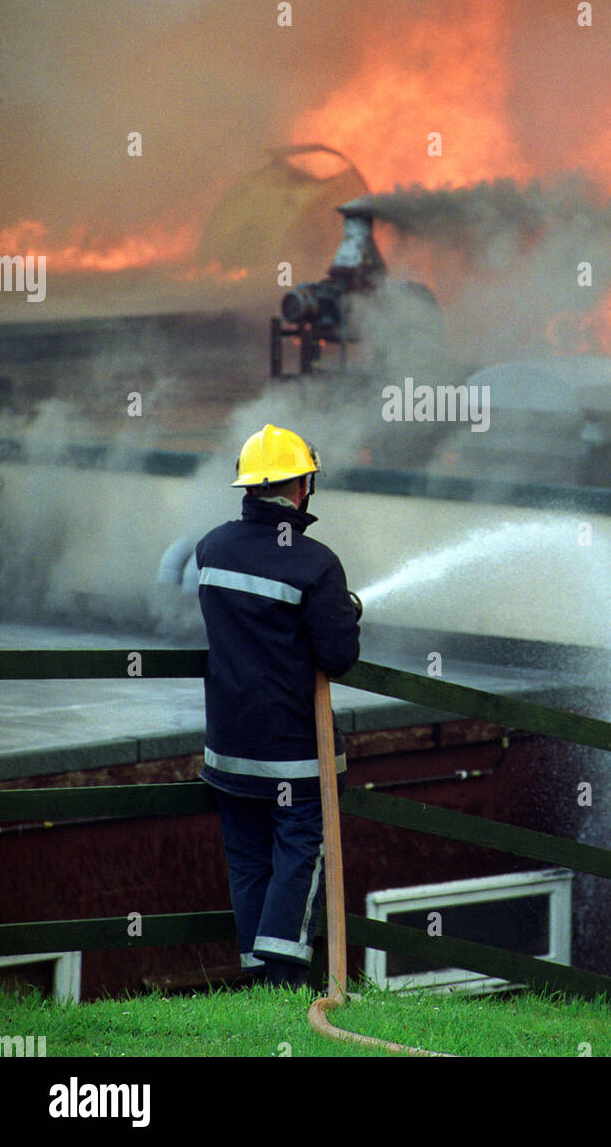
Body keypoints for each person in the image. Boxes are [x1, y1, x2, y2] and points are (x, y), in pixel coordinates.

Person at [195, 423, 361, 989]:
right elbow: (338, 656)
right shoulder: (315, 563)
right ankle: (284, 980)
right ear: (302, 487)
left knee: (248, 860)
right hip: (294, 752)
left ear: (248, 488)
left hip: (228, 749)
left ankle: (254, 979)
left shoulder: (211, 547)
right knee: (300, 851)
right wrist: (345, 610)